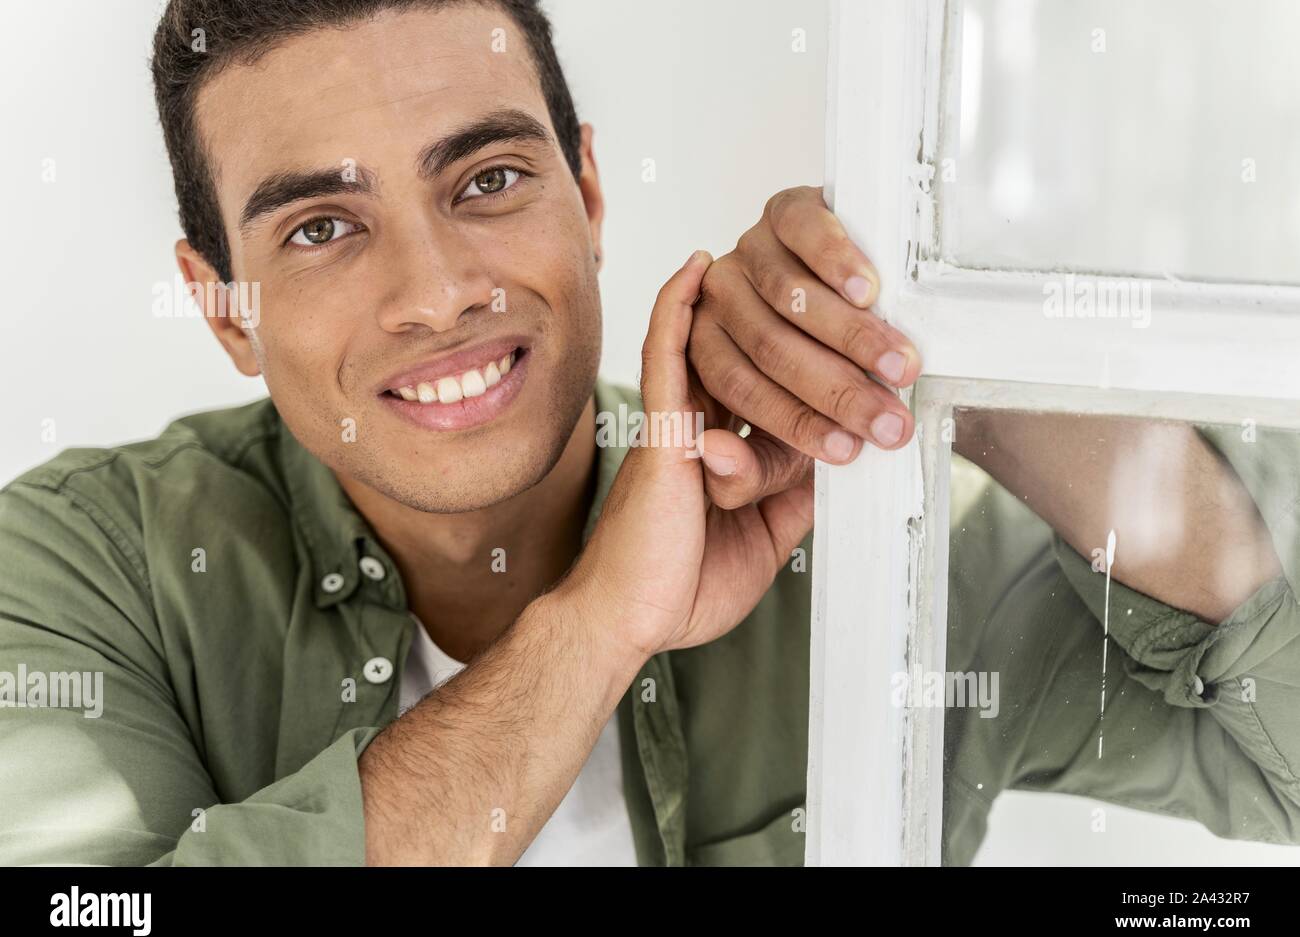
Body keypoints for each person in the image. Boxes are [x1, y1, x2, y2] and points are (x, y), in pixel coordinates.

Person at [0, 0, 1294, 866]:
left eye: (490, 180)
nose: (440, 291)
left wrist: (934, 344)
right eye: (322, 228)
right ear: (222, 307)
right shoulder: (76, 568)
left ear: (593, 197)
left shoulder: (863, 535)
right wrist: (597, 620)